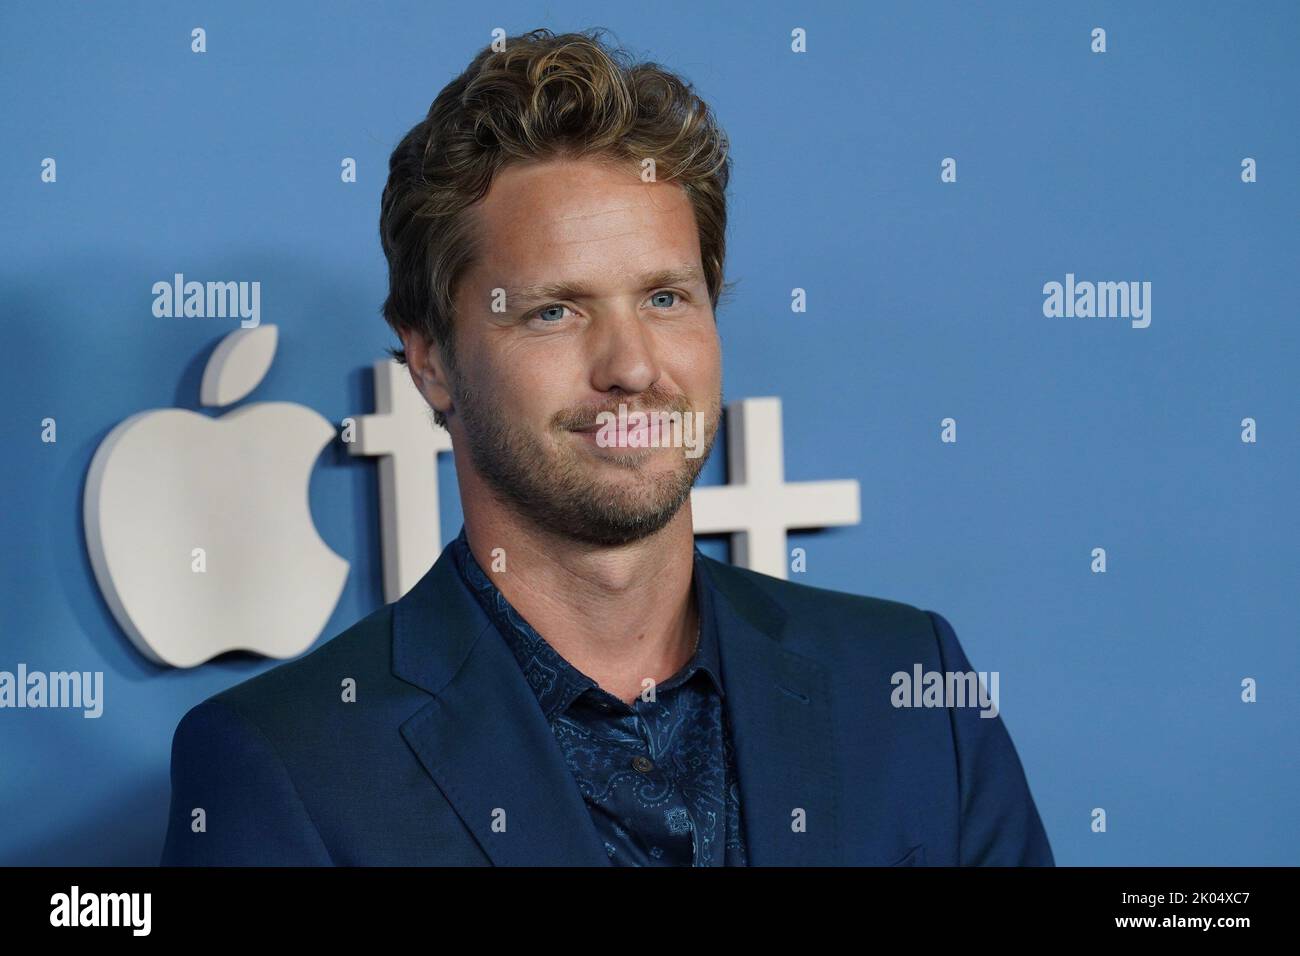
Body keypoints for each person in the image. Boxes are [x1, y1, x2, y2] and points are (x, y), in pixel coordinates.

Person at [160, 27, 1053, 867]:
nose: (632, 366)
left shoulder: (909, 684)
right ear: (430, 361)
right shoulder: (290, 765)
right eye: (554, 311)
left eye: (666, 298)